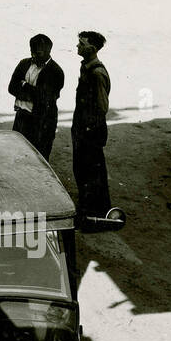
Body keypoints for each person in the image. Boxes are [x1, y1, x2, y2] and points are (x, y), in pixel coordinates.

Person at [72, 30, 112, 216]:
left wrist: (88, 128)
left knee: (91, 172)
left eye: (82, 44)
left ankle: (95, 213)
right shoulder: (86, 67)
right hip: (82, 129)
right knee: (82, 170)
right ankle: (87, 208)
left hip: (90, 132)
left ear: (92, 48)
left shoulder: (97, 73)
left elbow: (102, 107)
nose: (78, 46)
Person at [9, 34, 65, 159]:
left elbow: (45, 98)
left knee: (38, 159)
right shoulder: (24, 63)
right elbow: (11, 88)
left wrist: (24, 85)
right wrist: (34, 93)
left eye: (38, 53)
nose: (34, 56)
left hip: (42, 122)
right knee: (18, 157)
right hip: (21, 117)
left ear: (48, 51)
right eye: (32, 51)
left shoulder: (56, 71)